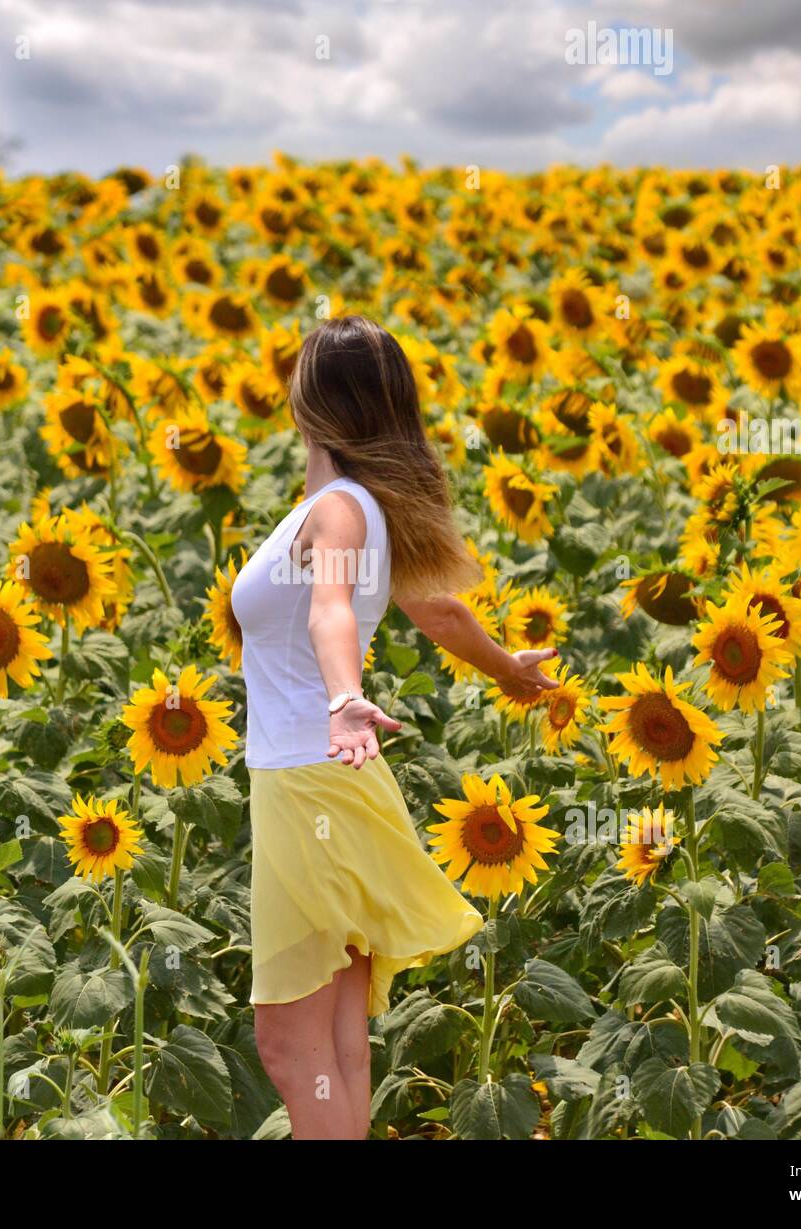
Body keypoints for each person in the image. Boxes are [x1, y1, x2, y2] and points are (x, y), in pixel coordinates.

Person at [230, 315, 558, 1139]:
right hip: (339, 782)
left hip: (310, 776)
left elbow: (332, 611)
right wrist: (507, 668)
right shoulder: (362, 506)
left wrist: (345, 696)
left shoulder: (338, 511)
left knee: (290, 1046)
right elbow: (440, 614)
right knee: (339, 1043)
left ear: (306, 401)